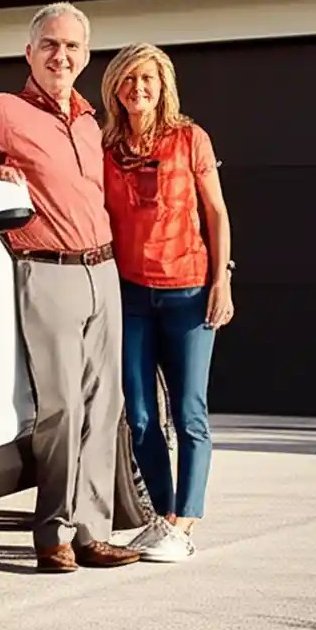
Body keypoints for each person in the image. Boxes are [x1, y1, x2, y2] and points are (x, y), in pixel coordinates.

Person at [0, 2, 140, 573]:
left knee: (105, 405)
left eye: (71, 47)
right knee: (62, 407)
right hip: (47, 271)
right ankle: (53, 534)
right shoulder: (4, 112)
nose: (60, 56)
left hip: (103, 272)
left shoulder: (92, 122)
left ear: (85, 56)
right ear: (29, 52)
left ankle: (93, 533)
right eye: (49, 45)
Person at [99, 43, 234, 562]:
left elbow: (217, 212)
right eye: (128, 79)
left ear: (163, 85)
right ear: (115, 87)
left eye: (147, 79)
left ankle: (185, 522)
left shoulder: (189, 138)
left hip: (189, 292)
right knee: (137, 413)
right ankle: (161, 517)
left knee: (189, 411)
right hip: (130, 294)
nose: (138, 89)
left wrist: (221, 282)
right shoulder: (106, 146)